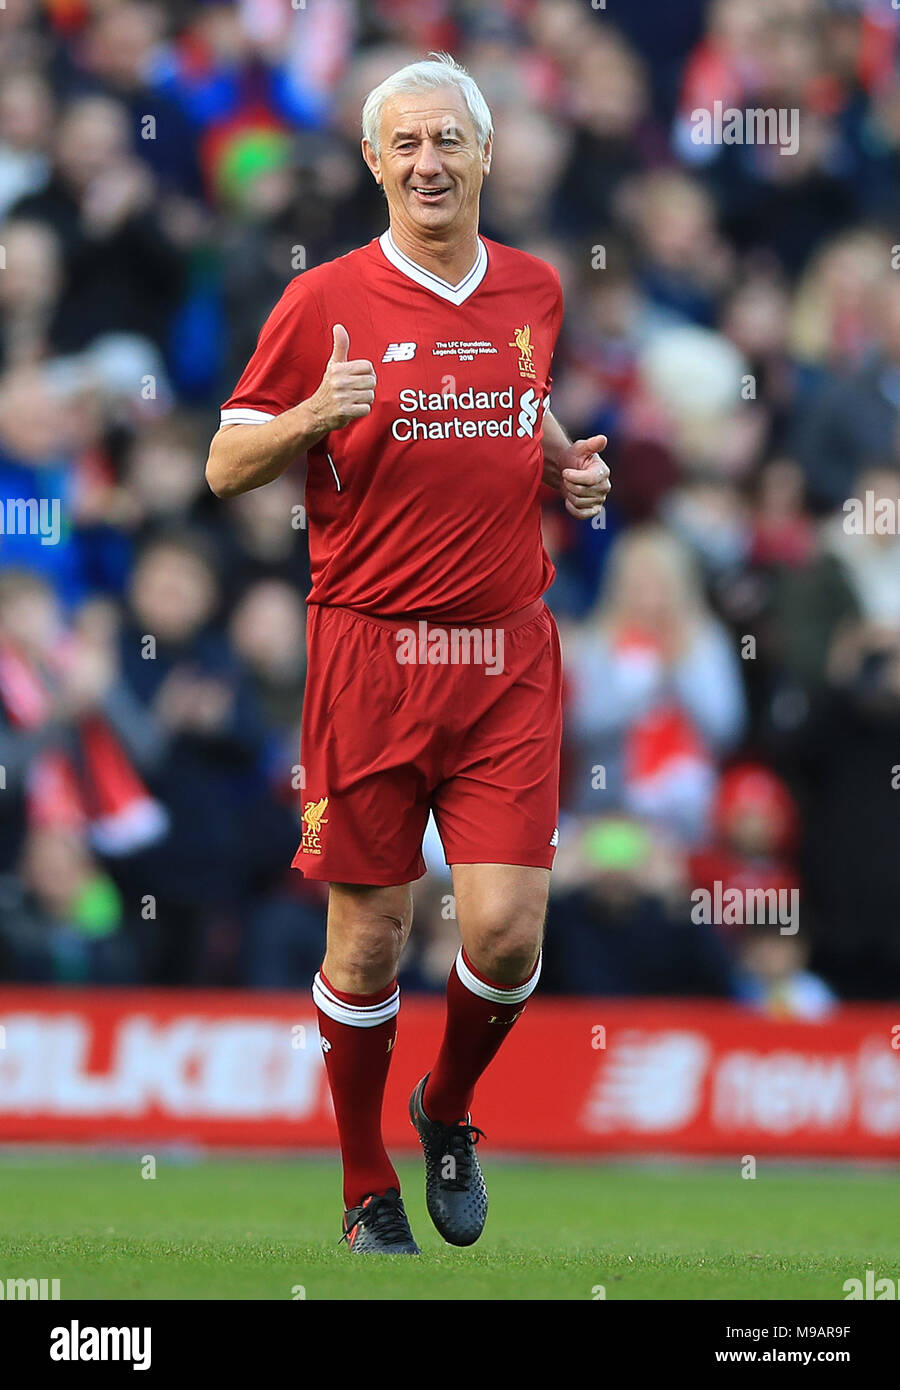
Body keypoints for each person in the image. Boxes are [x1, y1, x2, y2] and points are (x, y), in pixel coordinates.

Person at [206, 52, 611, 1255]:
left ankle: (448, 1107)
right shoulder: (322, 300)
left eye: (450, 141)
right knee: (369, 939)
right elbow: (225, 463)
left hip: (507, 656)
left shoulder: (536, 288)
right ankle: (360, 1179)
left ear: (485, 155)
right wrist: (311, 418)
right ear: (376, 163)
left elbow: (509, 403)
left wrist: (561, 468)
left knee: (503, 936)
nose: (429, 162)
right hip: (371, 656)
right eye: (406, 145)